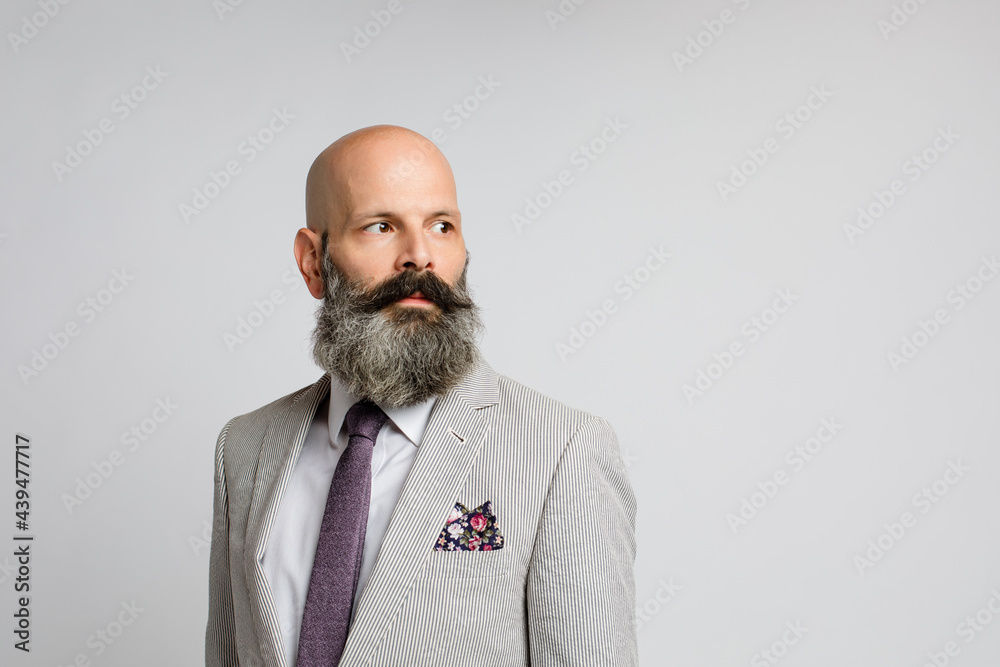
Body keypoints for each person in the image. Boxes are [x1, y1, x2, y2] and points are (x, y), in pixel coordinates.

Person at [205, 125, 638, 667]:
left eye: (441, 225)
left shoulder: (564, 450)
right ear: (314, 261)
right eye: (381, 226)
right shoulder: (243, 447)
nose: (419, 256)